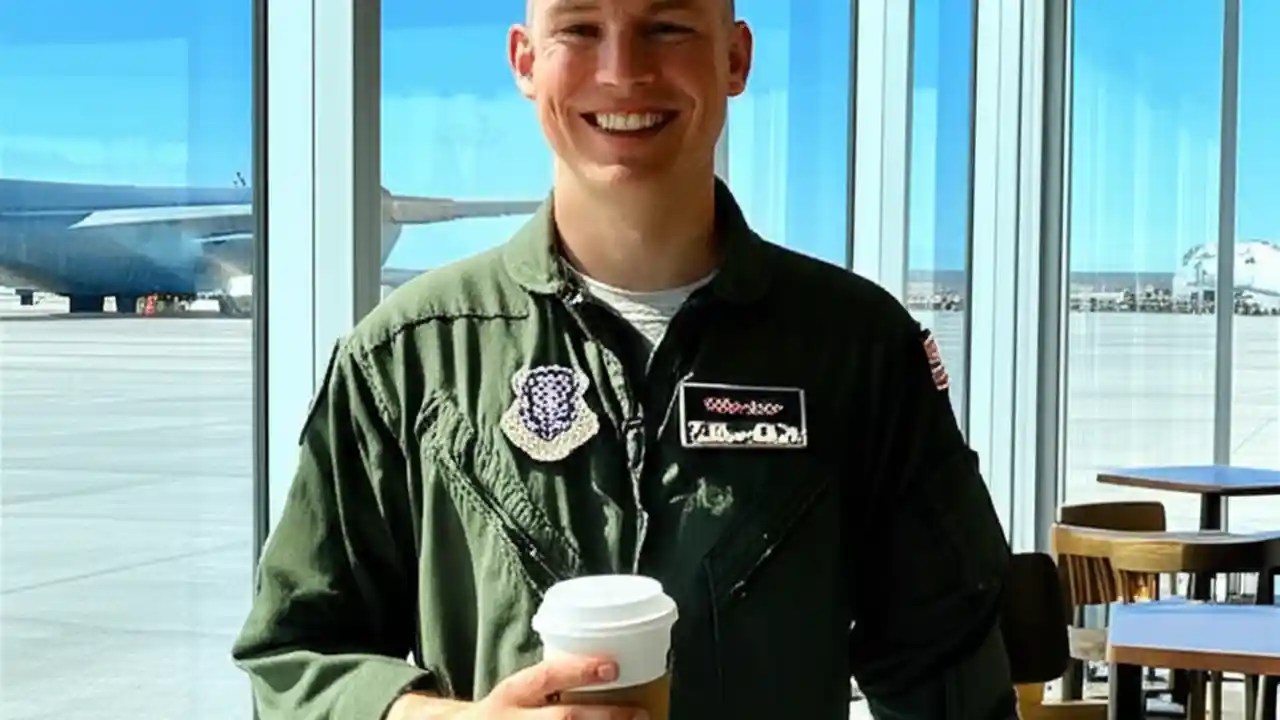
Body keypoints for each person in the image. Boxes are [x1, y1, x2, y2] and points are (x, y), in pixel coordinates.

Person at [231, 0, 1018, 717]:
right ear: (525, 60)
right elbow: (296, 660)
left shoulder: (856, 350)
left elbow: (947, 662)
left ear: (735, 59)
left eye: (667, 27)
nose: (622, 71)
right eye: (579, 29)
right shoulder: (410, 356)